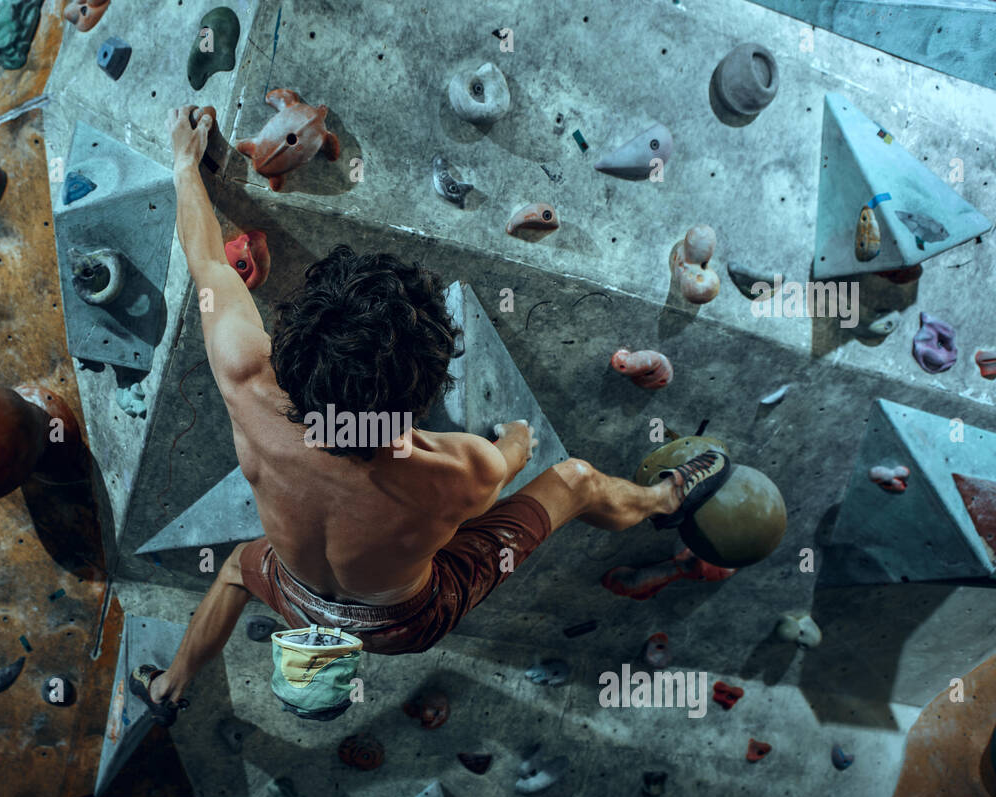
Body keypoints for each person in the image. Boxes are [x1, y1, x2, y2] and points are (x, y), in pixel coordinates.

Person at [132, 106, 730, 721]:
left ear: (291, 345)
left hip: (292, 592)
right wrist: (518, 440)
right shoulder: (457, 469)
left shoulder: (243, 375)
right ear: (418, 396)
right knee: (575, 480)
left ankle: (168, 690)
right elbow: (509, 459)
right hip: (402, 621)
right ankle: (666, 501)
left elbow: (205, 262)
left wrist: (185, 160)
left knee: (235, 568)